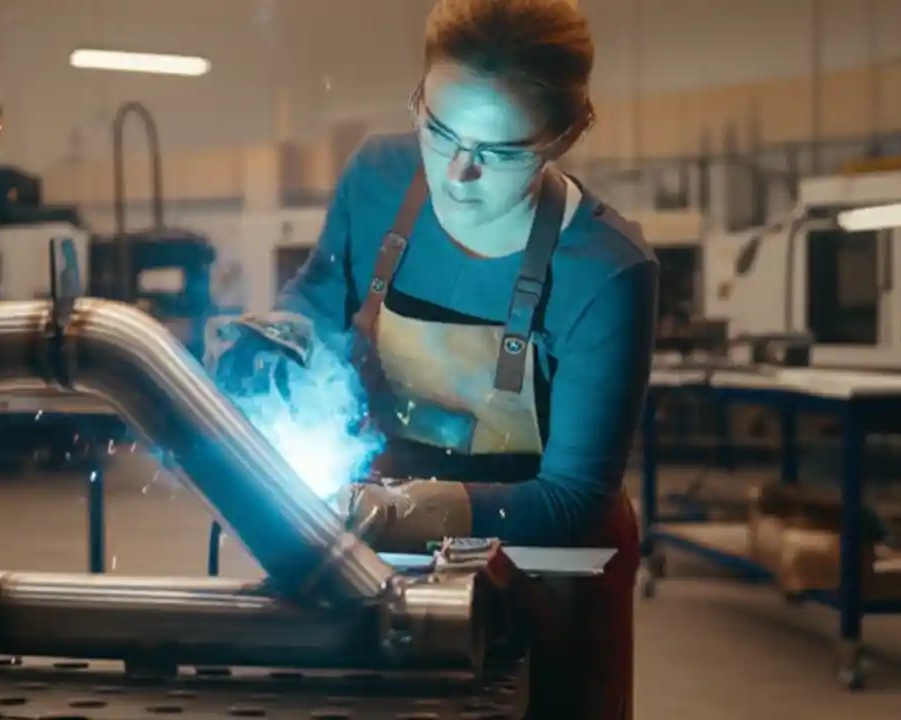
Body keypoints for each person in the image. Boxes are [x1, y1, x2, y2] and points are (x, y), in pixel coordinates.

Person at [210, 0, 657, 716]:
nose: (457, 171)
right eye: (438, 126)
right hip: (375, 544)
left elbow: (574, 500)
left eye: (500, 151)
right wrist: (280, 339)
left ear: (566, 134)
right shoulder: (379, 176)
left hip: (548, 562)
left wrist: (406, 509)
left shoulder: (606, 271)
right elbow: (320, 295)